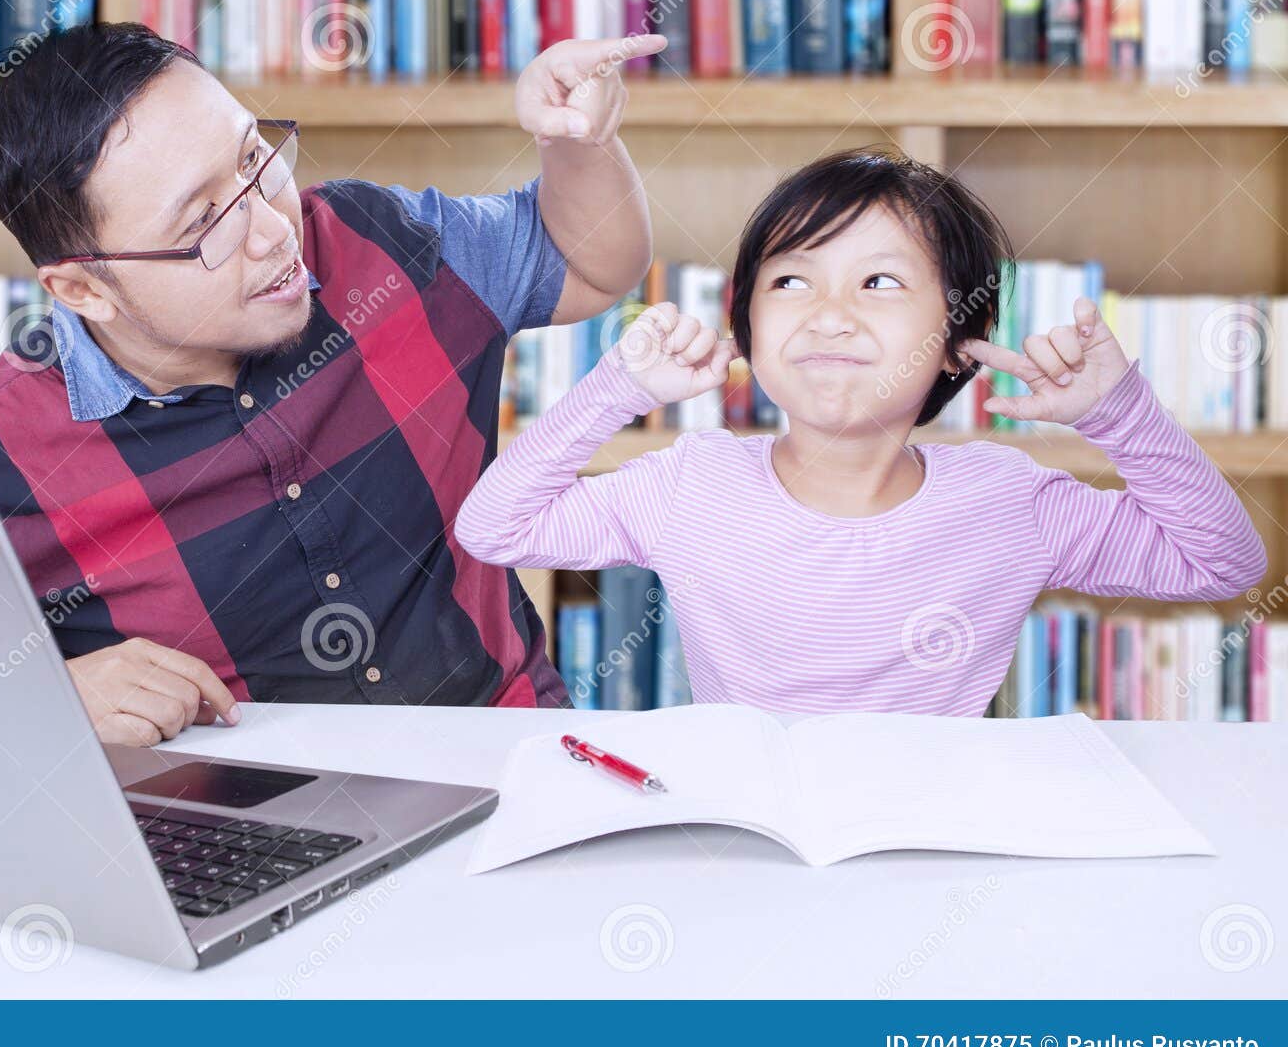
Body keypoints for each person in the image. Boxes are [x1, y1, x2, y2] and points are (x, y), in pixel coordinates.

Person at [0, 22, 665, 744]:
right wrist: (44, 696)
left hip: (510, 761)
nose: (276, 230)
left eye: (254, 159)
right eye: (205, 223)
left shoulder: (376, 246)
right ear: (82, 289)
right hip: (240, 845)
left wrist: (577, 143)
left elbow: (595, 264)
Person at [455, 146, 1267, 715]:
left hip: (930, 852)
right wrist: (615, 388)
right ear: (747, 324)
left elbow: (1221, 561)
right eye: (791, 280)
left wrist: (1118, 414)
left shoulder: (1008, 501)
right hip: (749, 847)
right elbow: (495, 527)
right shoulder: (689, 481)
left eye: (878, 281)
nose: (830, 315)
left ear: (956, 337)